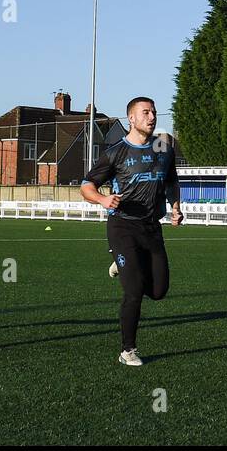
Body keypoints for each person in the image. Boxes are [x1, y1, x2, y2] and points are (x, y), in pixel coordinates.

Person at [81, 97, 181, 366]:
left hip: (152, 227)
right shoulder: (116, 152)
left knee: (159, 291)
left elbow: (172, 180)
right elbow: (86, 185)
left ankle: (122, 265)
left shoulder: (163, 148)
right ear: (131, 120)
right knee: (134, 289)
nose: (152, 117)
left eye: (154, 112)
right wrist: (102, 199)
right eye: (145, 112)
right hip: (123, 226)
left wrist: (175, 207)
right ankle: (128, 350)